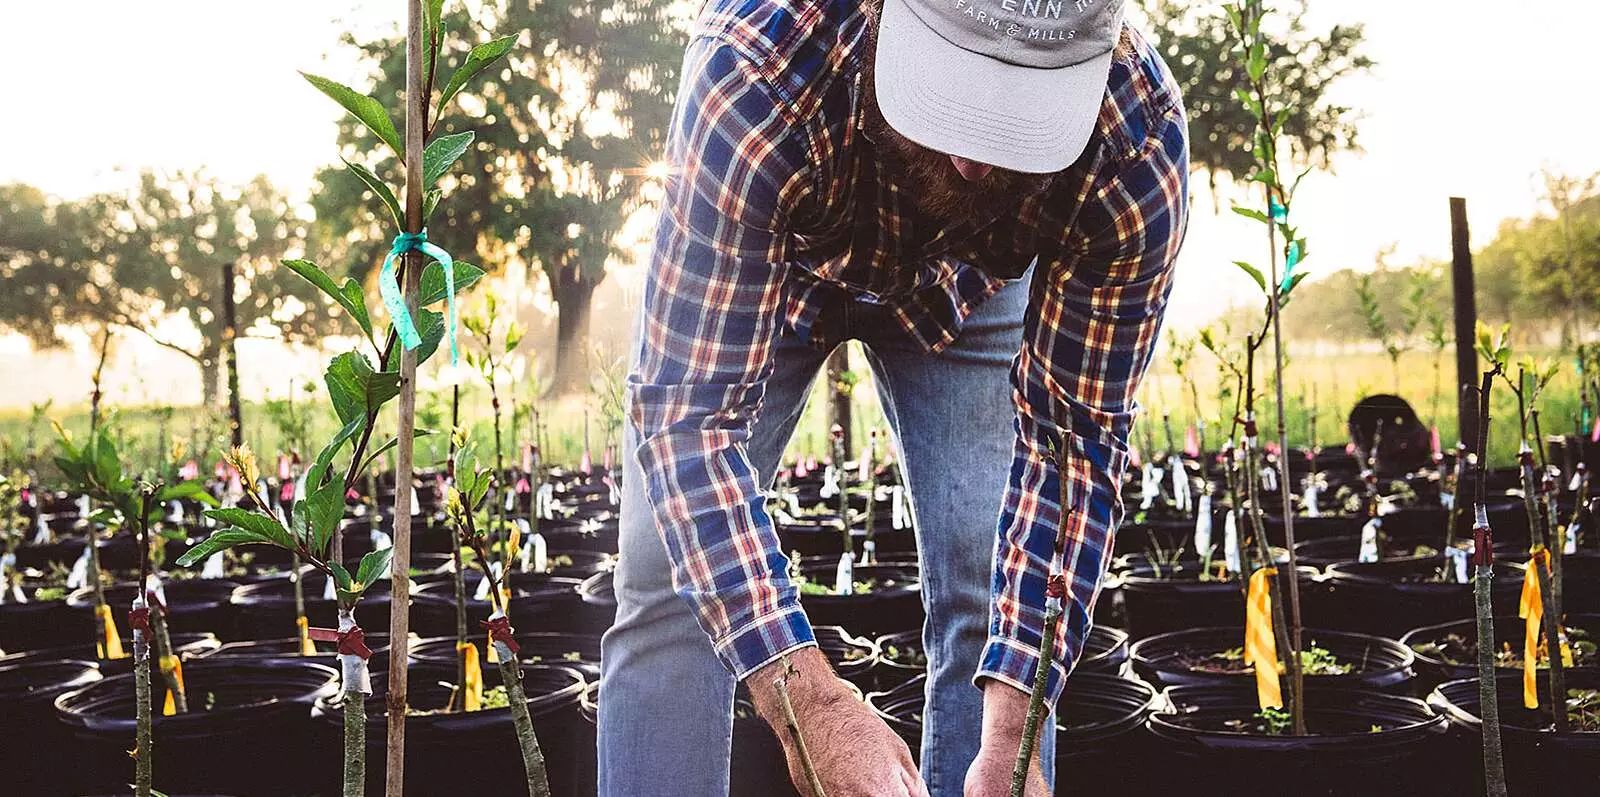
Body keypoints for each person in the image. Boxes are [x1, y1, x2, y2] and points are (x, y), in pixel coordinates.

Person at [597, 0, 1189, 794]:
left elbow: (1073, 450)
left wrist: (1016, 735)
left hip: (972, 291)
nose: (977, 163)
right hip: (779, 268)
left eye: (1020, 117)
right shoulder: (757, 70)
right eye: (954, 93)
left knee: (989, 587)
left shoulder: (1134, 138)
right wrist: (808, 703)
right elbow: (688, 422)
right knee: (664, 579)